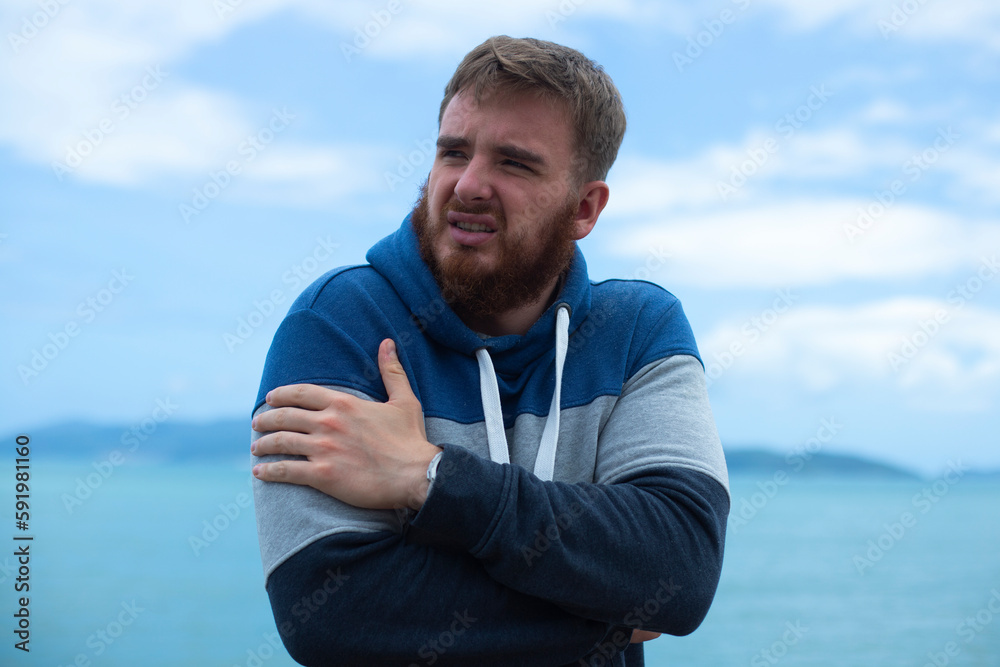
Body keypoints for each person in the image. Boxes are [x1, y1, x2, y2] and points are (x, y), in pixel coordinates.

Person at [250, 35, 729, 667]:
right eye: (453, 152)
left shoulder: (638, 330)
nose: (468, 185)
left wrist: (431, 479)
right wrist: (606, 617)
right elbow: (331, 610)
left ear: (584, 208)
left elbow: (679, 567)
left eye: (514, 163)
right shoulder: (340, 322)